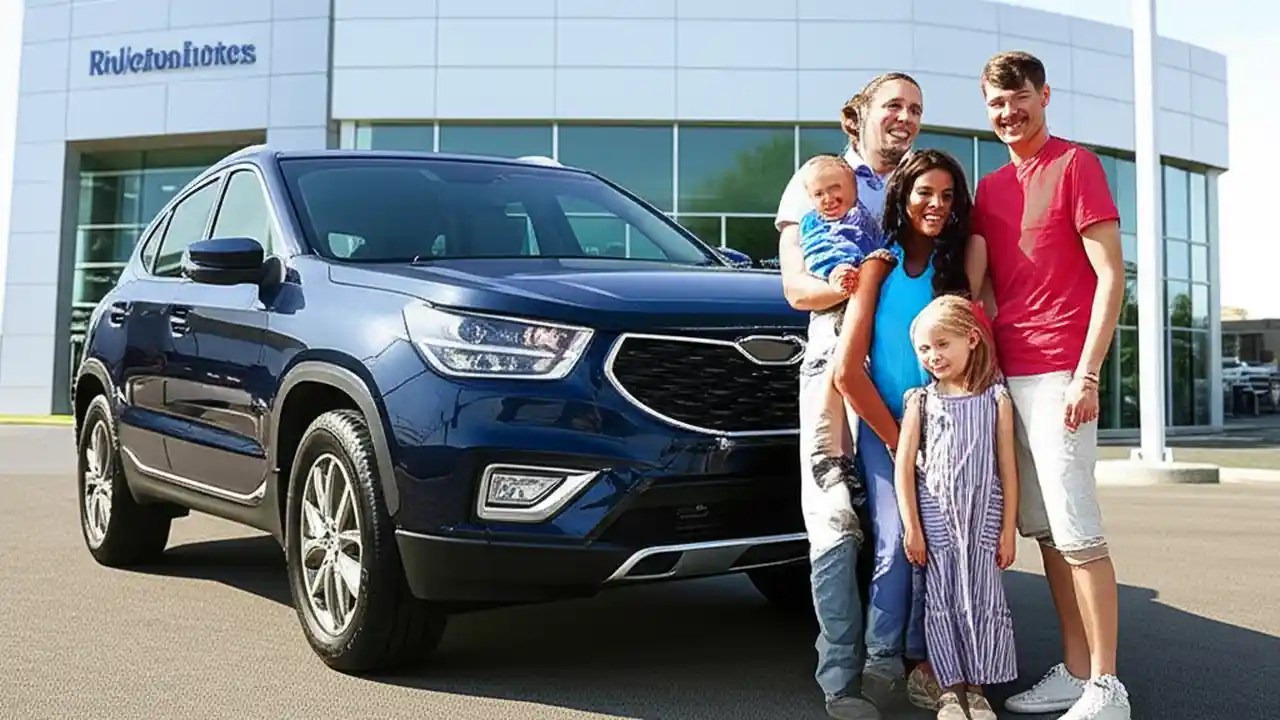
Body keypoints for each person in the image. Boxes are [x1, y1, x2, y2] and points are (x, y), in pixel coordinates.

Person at [968, 51, 1131, 720]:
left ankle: (1107, 688)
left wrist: (1087, 374)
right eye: (996, 104)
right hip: (1010, 379)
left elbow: (1111, 277)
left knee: (1078, 529)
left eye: (1019, 99)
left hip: (1063, 374)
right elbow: (982, 286)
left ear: (1044, 95)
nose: (1009, 113)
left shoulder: (1076, 166)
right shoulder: (991, 188)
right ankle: (1075, 669)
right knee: (1045, 532)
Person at [775, 71, 924, 720]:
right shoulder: (821, 179)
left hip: (903, 379)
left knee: (907, 521)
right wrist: (857, 285)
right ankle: (839, 681)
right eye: (893, 104)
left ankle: (899, 663)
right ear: (858, 115)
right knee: (835, 521)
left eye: (916, 108)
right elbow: (797, 290)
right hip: (834, 374)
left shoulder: (922, 188)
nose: (906, 116)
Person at [832, 149, 975, 715]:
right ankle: (880, 660)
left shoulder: (958, 269)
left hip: (950, 432)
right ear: (902, 197)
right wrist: (896, 440)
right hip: (886, 429)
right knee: (895, 540)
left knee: (941, 545)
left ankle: (929, 660)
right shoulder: (878, 267)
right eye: (924, 193)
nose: (936, 205)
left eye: (947, 195)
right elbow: (847, 372)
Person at [895, 294, 1019, 720]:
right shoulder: (921, 402)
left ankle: (977, 688)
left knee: (980, 602)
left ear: (971, 339)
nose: (933, 356)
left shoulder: (996, 399)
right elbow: (903, 468)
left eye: (942, 344)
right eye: (925, 349)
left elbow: (1007, 469)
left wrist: (1006, 530)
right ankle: (949, 691)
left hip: (982, 520)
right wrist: (912, 526)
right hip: (937, 522)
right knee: (942, 603)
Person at [797, 154, 887, 298]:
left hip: (868, 281)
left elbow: (877, 239)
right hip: (833, 274)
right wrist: (837, 269)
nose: (828, 199)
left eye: (834, 189)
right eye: (819, 194)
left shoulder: (862, 215)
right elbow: (815, 249)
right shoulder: (813, 221)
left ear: (854, 189)